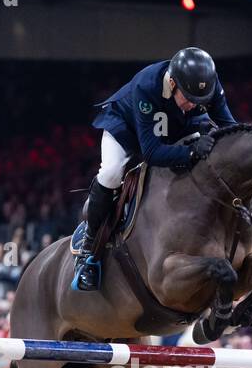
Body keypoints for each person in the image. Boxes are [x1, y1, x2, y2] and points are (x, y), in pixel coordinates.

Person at [73, 47, 238, 291]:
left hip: (176, 127)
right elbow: (150, 152)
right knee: (110, 173)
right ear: (172, 83)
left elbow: (230, 128)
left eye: (199, 101)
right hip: (126, 130)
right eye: (189, 98)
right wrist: (192, 152)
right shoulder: (147, 86)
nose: (194, 105)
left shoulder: (205, 86)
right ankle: (89, 248)